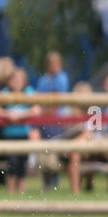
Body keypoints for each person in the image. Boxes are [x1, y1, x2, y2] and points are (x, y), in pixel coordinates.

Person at [0, 67, 36, 194]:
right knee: (12, 162)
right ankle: (11, 192)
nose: (16, 82)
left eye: (19, 79)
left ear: (24, 81)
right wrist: (9, 115)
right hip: (10, 134)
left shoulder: (29, 92)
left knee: (22, 163)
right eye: (14, 79)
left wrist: (20, 116)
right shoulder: (5, 93)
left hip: (24, 133)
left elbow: (36, 110)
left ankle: (21, 192)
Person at [34, 51, 70, 190]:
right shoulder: (43, 80)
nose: (54, 66)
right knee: (44, 147)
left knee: (55, 147)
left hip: (58, 119)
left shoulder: (61, 78)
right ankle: (47, 180)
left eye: (57, 63)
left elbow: (56, 101)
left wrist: (44, 108)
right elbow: (39, 98)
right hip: (45, 120)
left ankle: (54, 177)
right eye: (52, 63)